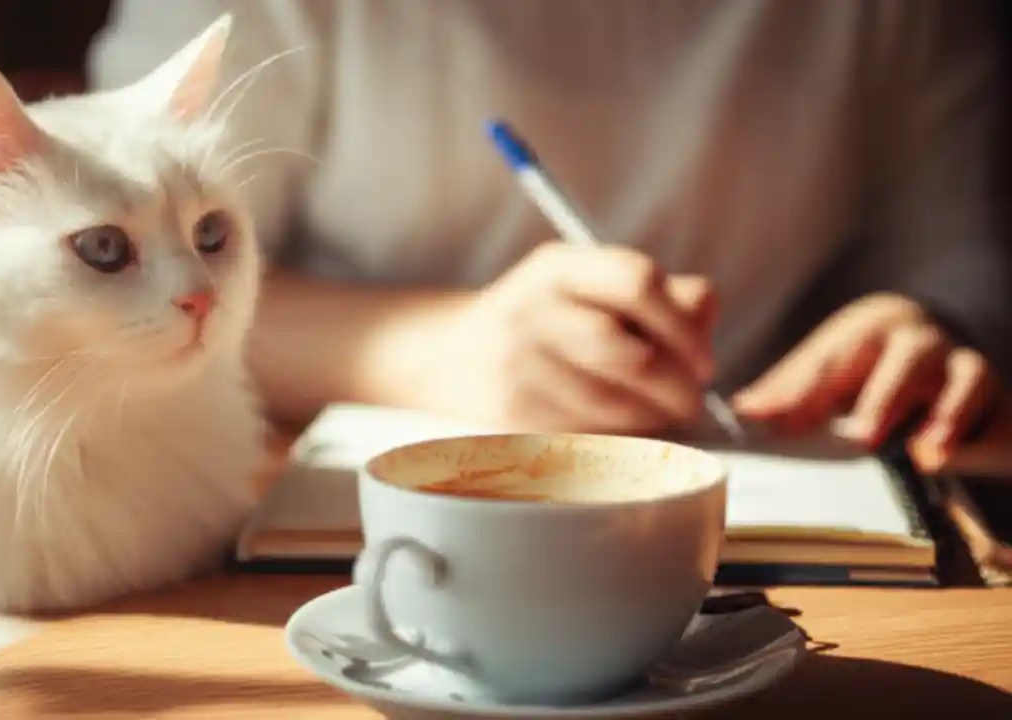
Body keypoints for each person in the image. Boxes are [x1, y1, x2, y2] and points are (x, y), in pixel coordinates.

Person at [89, 0, 1010, 468]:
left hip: (771, 499)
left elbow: (962, 249)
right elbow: (111, 280)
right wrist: (437, 352)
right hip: (332, 510)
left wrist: (933, 321)